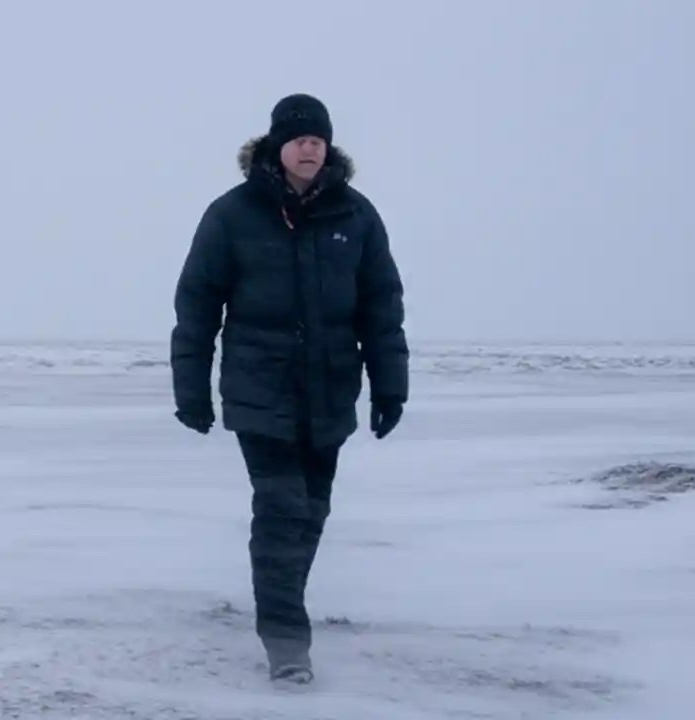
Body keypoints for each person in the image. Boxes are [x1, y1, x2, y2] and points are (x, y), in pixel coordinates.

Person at [169, 93, 409, 684]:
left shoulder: (356, 217)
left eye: (318, 139)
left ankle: (282, 607)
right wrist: (191, 390)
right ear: (278, 146)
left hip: (329, 393)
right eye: (299, 138)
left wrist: (389, 387)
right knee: (281, 510)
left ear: (328, 149)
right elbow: (197, 307)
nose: (309, 146)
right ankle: (286, 643)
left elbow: (382, 308)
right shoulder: (233, 214)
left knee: (311, 514)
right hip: (260, 391)